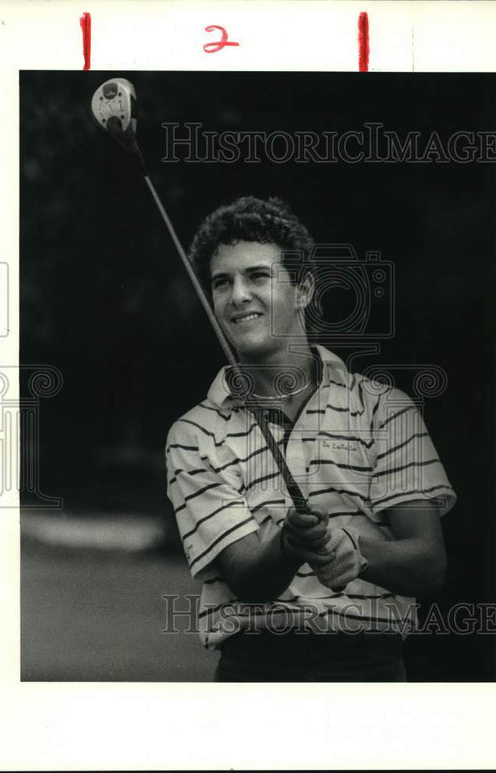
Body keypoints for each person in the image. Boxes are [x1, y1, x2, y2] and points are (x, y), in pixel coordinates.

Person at [165, 196, 456, 681]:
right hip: (255, 671)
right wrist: (290, 543)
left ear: (303, 291)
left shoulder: (386, 409)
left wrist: (357, 552)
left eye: (257, 276)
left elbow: (429, 565)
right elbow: (248, 578)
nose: (237, 295)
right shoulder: (194, 433)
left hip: (371, 670)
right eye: (222, 283)